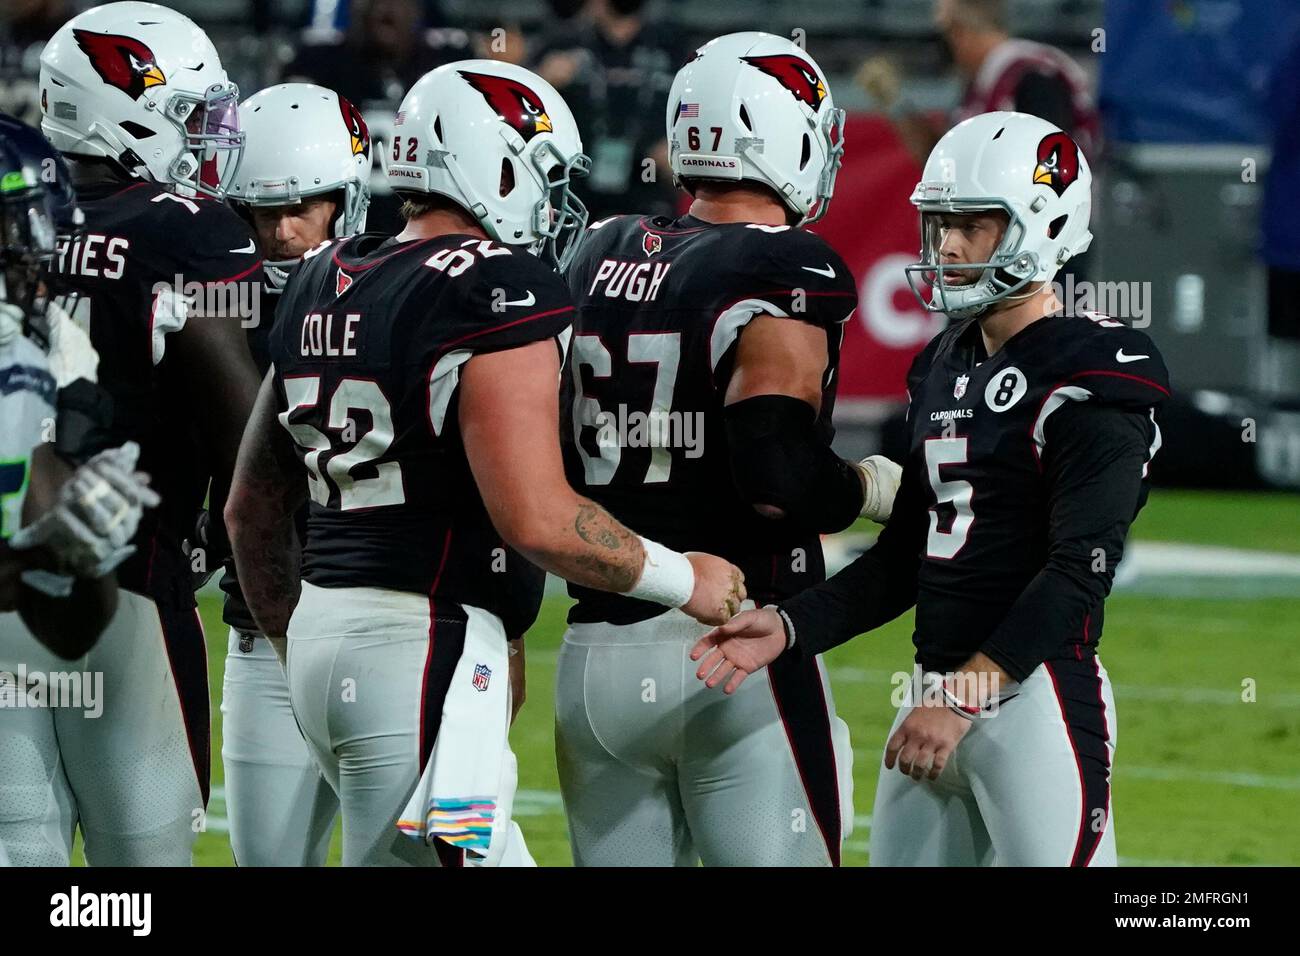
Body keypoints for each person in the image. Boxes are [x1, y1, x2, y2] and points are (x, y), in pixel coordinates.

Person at [225, 60, 746, 867]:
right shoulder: (498, 284)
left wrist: (308, 650)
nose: (555, 200)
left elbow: (250, 509)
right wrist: (687, 579)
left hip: (327, 636)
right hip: (422, 646)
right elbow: (538, 519)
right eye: (543, 175)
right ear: (495, 166)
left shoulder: (324, 276)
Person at [692, 112, 1169, 867]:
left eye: (974, 225)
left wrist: (960, 697)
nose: (946, 246)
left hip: (1030, 698)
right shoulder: (944, 361)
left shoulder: (1093, 368)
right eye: (940, 223)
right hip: (933, 695)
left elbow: (1082, 569)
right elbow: (904, 557)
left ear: (1044, 226)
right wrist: (791, 626)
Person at [555, 32, 902, 867]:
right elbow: (779, 476)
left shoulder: (597, 249)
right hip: (736, 643)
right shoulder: (784, 264)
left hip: (596, 650)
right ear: (781, 138)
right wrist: (868, 488)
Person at [28, 1, 263, 865]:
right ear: (119, 110)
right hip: (126, 588)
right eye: (189, 116)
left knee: (23, 855)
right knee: (143, 873)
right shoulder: (184, 228)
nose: (205, 138)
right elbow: (245, 430)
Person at [218, 82, 373, 866]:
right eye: (259, 212)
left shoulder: (395, 298)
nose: (279, 232)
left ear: (346, 198)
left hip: (382, 628)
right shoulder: (217, 310)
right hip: (262, 634)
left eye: (301, 207)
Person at [0, 111, 159, 864]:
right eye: (14, 235)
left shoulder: (44, 347)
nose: (34, 258)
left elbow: (68, 630)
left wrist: (77, 551)